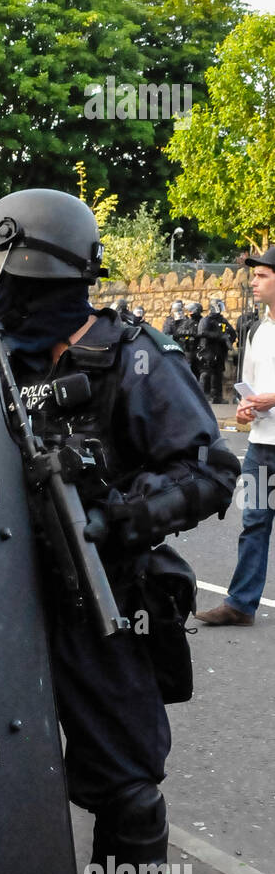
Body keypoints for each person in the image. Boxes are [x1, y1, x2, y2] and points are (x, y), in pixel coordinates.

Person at [0, 189, 238, 874]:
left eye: (27, 281)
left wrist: (118, 516)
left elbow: (208, 468)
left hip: (100, 599)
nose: (9, 296)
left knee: (130, 797)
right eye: (3, 277)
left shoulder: (130, 359)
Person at [195, 248, 275, 627]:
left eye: (261, 276)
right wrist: (245, 409)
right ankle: (241, 604)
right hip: (261, 445)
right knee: (254, 523)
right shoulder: (258, 330)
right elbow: (253, 389)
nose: (253, 282)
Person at [196, 300, 236, 404]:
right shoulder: (206, 320)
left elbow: (232, 332)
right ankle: (203, 397)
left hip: (219, 351)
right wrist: (219, 336)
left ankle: (217, 397)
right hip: (208, 350)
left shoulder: (223, 320)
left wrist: (228, 340)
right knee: (206, 373)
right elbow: (201, 332)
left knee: (218, 374)